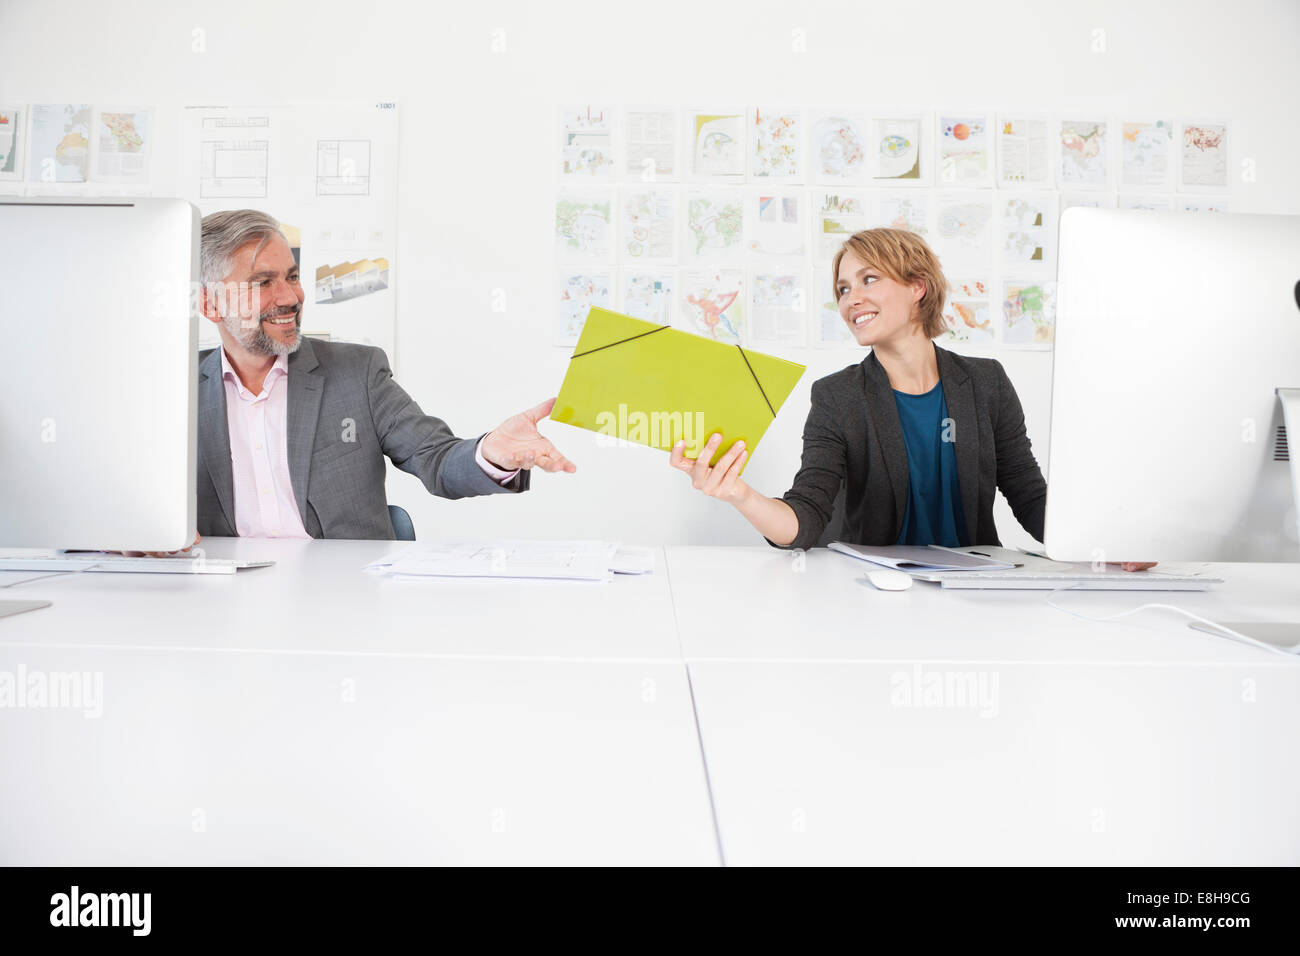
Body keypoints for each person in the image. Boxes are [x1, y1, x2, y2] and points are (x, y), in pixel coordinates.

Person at [669, 227, 1152, 570]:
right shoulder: (837, 396)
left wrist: (1102, 546)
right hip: (875, 592)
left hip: (979, 591)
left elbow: (1029, 497)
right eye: (842, 288)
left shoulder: (986, 383)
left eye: (869, 279)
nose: (850, 298)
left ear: (918, 287)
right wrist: (740, 495)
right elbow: (807, 517)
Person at [195, 209, 574, 540]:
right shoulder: (173, 388)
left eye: (292, 277)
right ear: (212, 304)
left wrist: (490, 453)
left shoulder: (356, 373)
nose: (290, 297)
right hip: (223, 599)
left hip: (345, 596)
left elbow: (435, 457)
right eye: (263, 283)